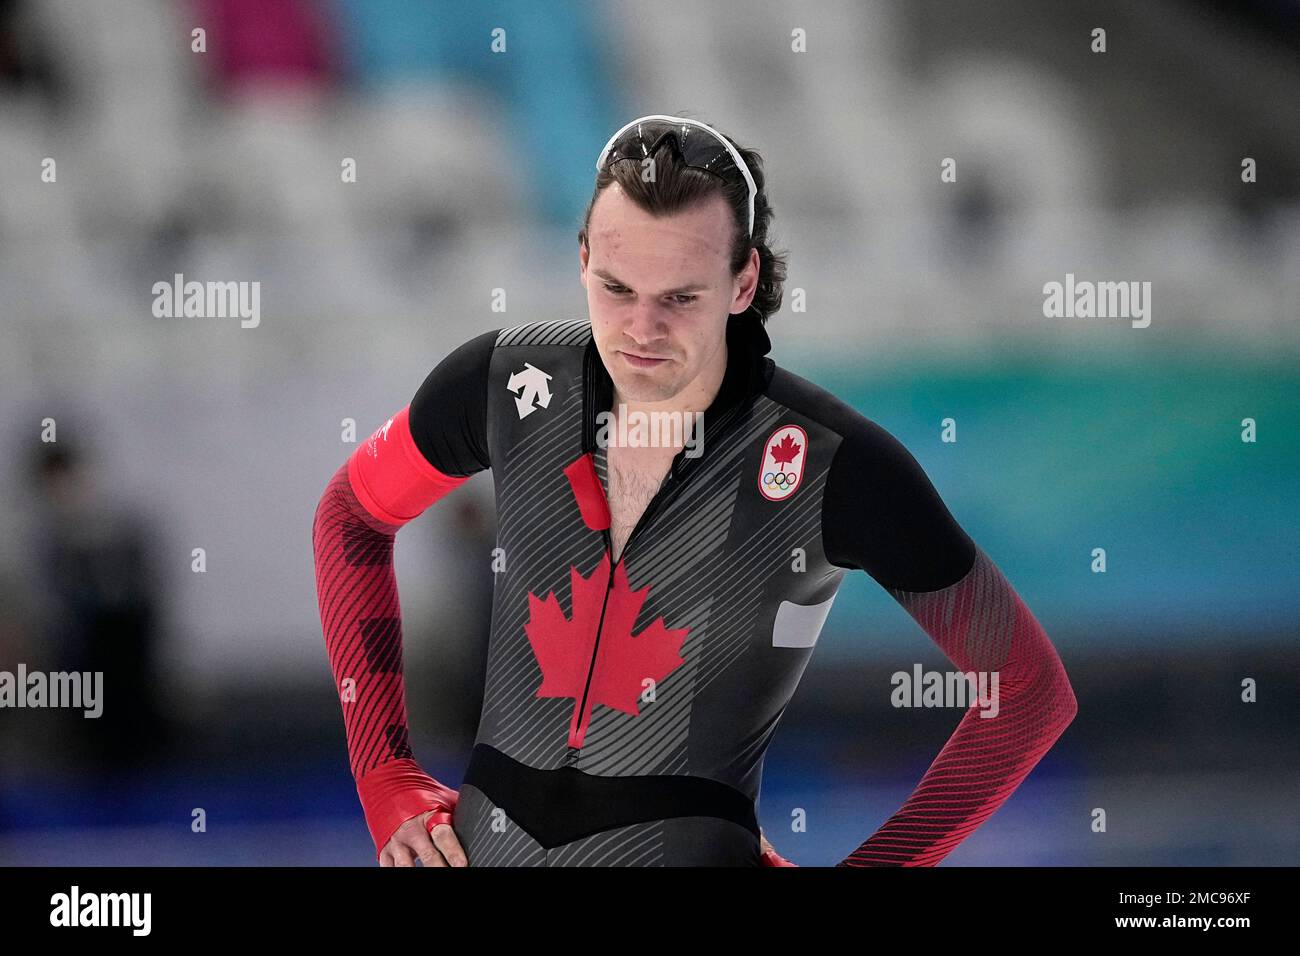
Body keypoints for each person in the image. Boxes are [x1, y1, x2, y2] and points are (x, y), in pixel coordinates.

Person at [312, 114, 1078, 867]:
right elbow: (349, 518)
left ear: (743, 281)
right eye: (616, 287)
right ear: (581, 259)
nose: (640, 328)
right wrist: (385, 776)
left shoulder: (833, 462)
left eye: (680, 297)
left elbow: (1028, 691)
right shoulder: (507, 383)